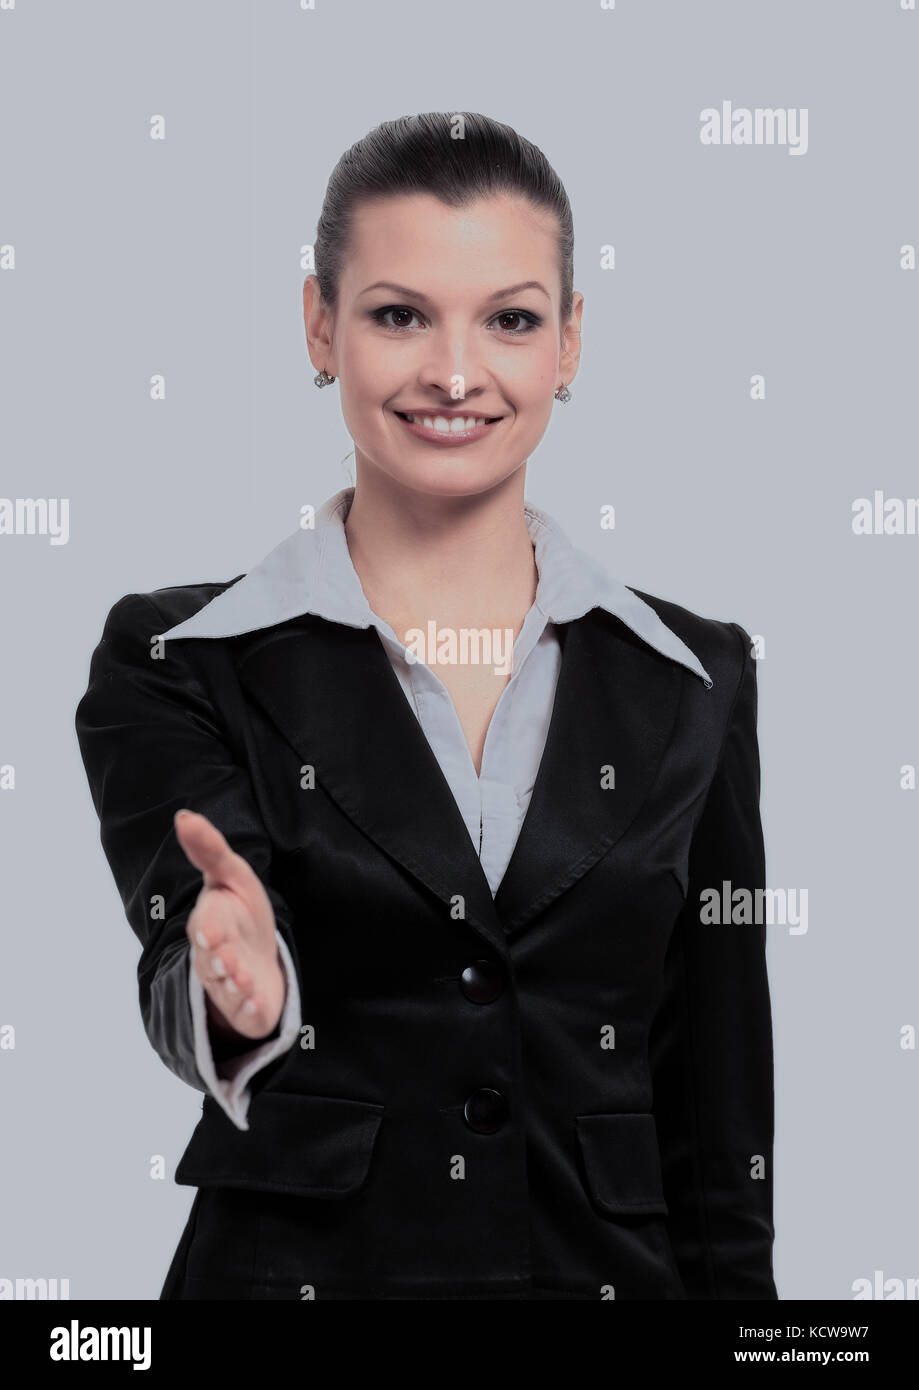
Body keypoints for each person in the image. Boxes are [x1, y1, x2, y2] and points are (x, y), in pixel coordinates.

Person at [74, 111, 778, 1301]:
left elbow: (717, 1091)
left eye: (509, 319)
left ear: (567, 344)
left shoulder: (694, 674)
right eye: (398, 314)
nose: (454, 374)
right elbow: (193, 936)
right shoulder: (178, 653)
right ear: (319, 326)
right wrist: (240, 988)